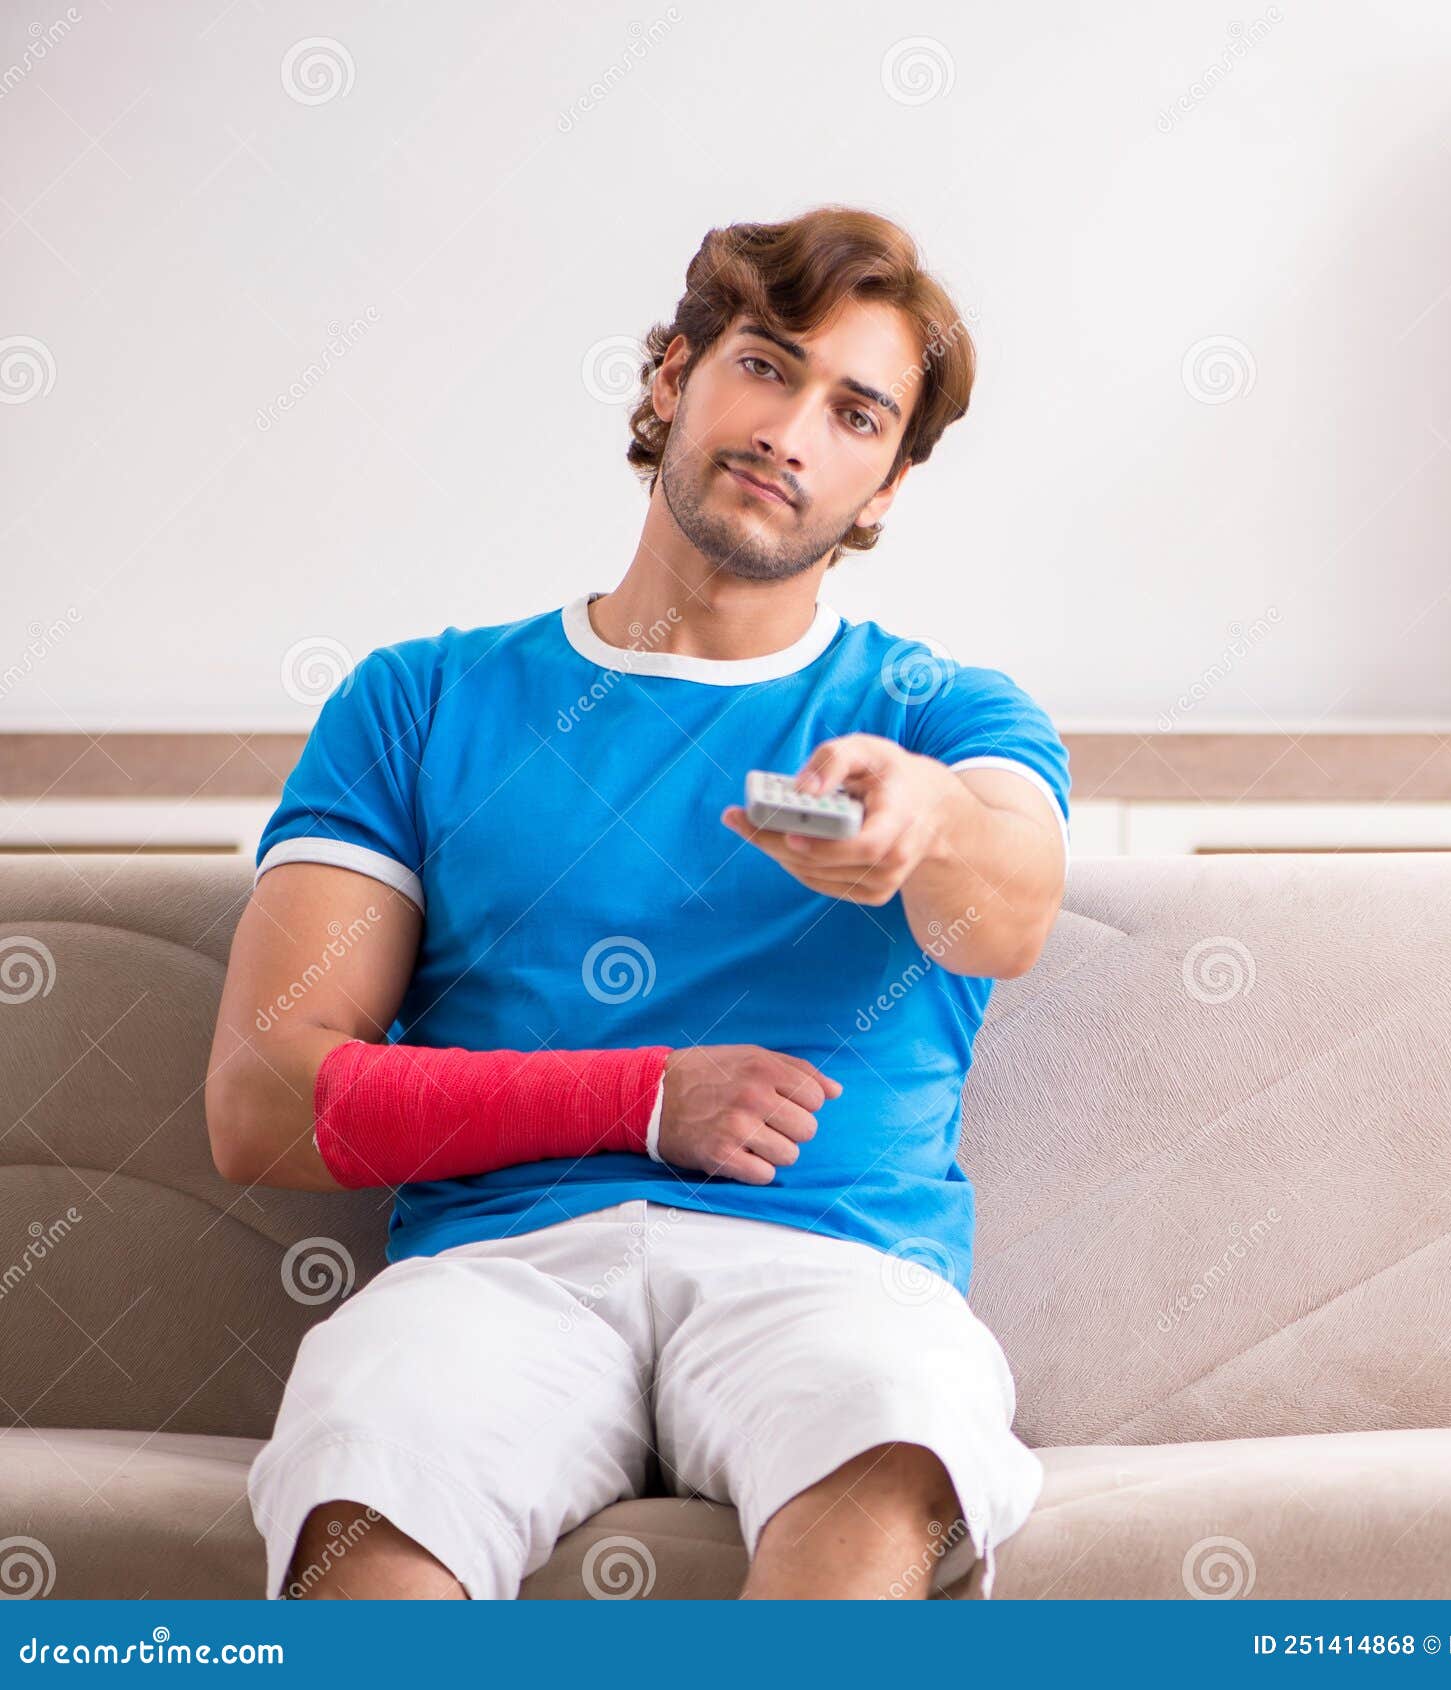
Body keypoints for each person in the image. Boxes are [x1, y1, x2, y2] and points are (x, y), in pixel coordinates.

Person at [205, 204, 1072, 1601]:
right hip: (498, 1274)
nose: (792, 431)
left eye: (856, 413)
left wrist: (923, 820)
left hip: (829, 1270)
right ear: (673, 378)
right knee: (370, 1473)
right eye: (766, 367)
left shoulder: (942, 712)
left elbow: (1014, 906)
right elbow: (263, 1101)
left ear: (889, 486)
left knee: (888, 1437)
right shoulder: (418, 702)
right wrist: (639, 1097)